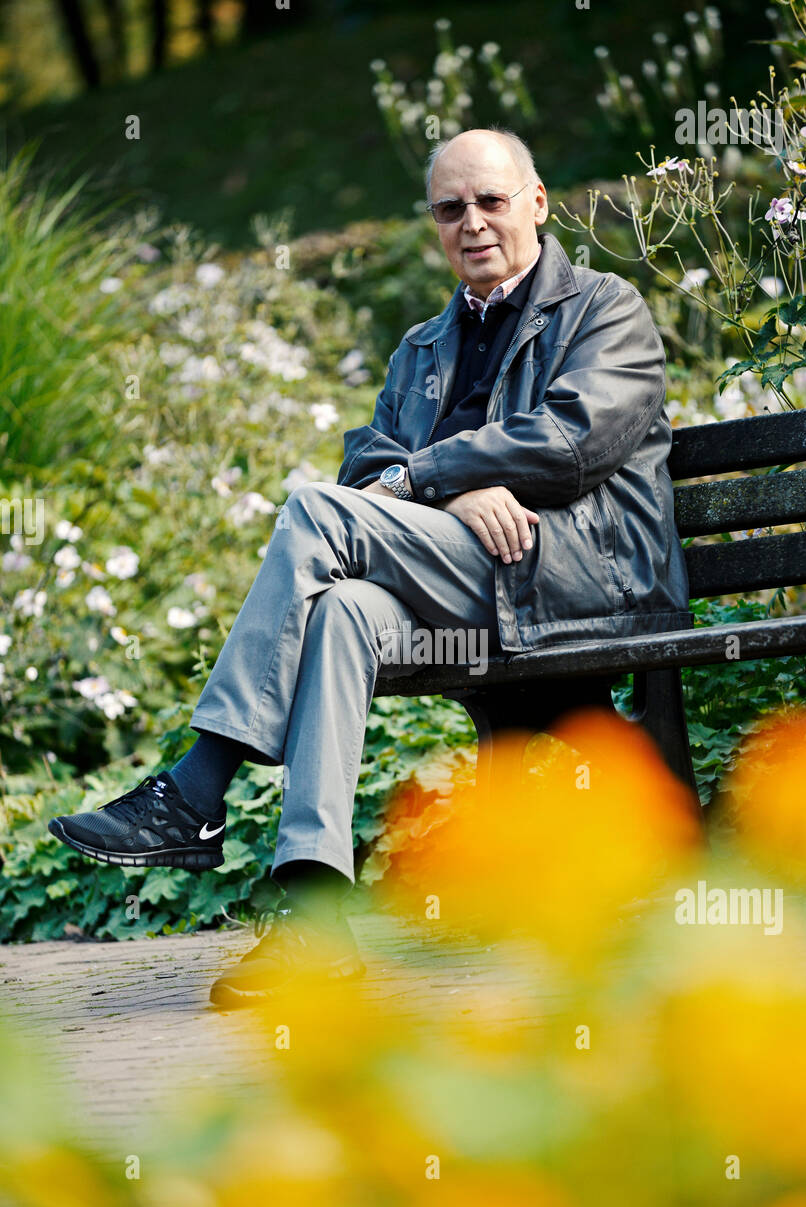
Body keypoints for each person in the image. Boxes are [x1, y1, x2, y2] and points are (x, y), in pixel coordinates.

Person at [49, 126, 689, 1007]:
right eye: (449, 208)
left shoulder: (602, 308)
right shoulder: (424, 347)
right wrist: (454, 494)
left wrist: (428, 473)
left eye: (491, 202)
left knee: (314, 512)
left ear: (537, 203)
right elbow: (366, 463)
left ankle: (195, 788)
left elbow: (572, 443)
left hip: (573, 575)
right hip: (469, 578)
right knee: (345, 609)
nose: (471, 223)